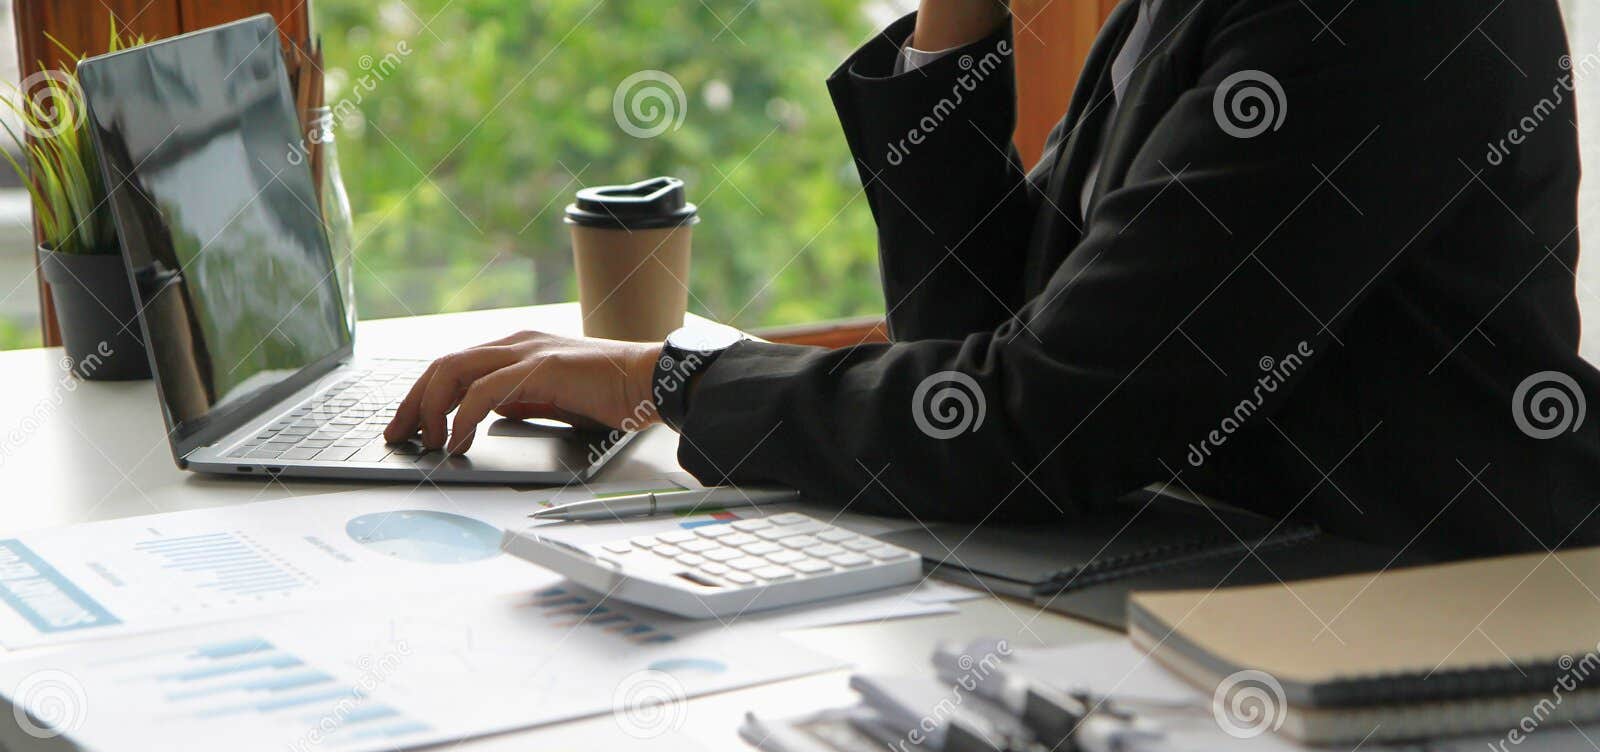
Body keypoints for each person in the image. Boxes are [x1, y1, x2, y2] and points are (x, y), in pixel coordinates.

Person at [386, 0, 1600, 561]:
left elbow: (1027, 420)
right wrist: (956, 20)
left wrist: (669, 379)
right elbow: (991, 343)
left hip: (1426, 643)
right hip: (1226, 583)